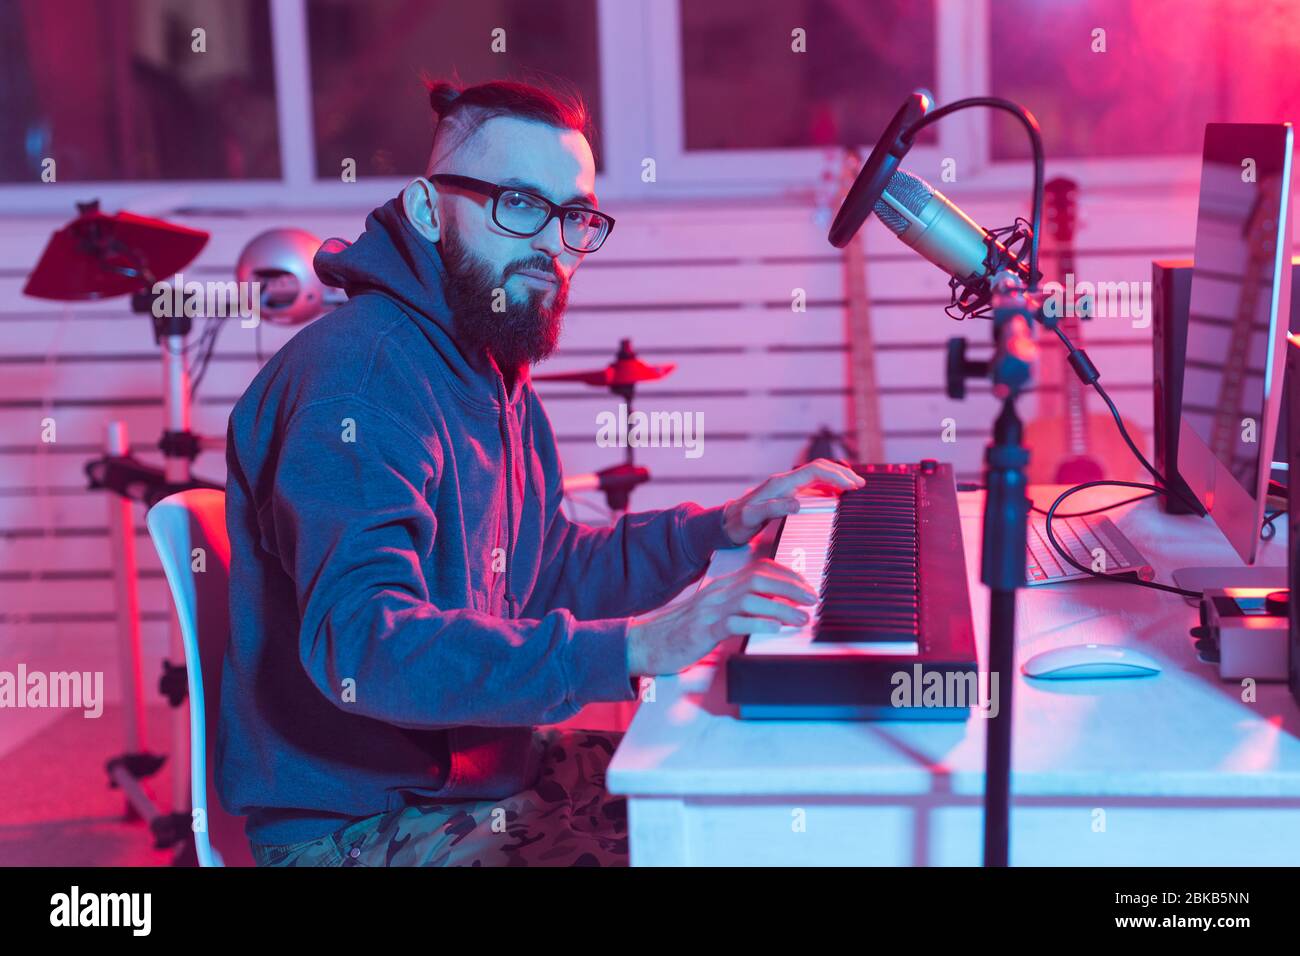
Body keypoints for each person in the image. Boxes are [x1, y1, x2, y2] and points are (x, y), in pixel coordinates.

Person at [218, 77, 864, 866]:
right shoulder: (361, 381)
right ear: (427, 209)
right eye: (519, 204)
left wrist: (721, 529)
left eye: (574, 216)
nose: (555, 244)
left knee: (752, 797)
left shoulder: (489, 365)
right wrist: (633, 647)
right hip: (357, 825)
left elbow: (548, 567)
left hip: (478, 775)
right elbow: (364, 645)